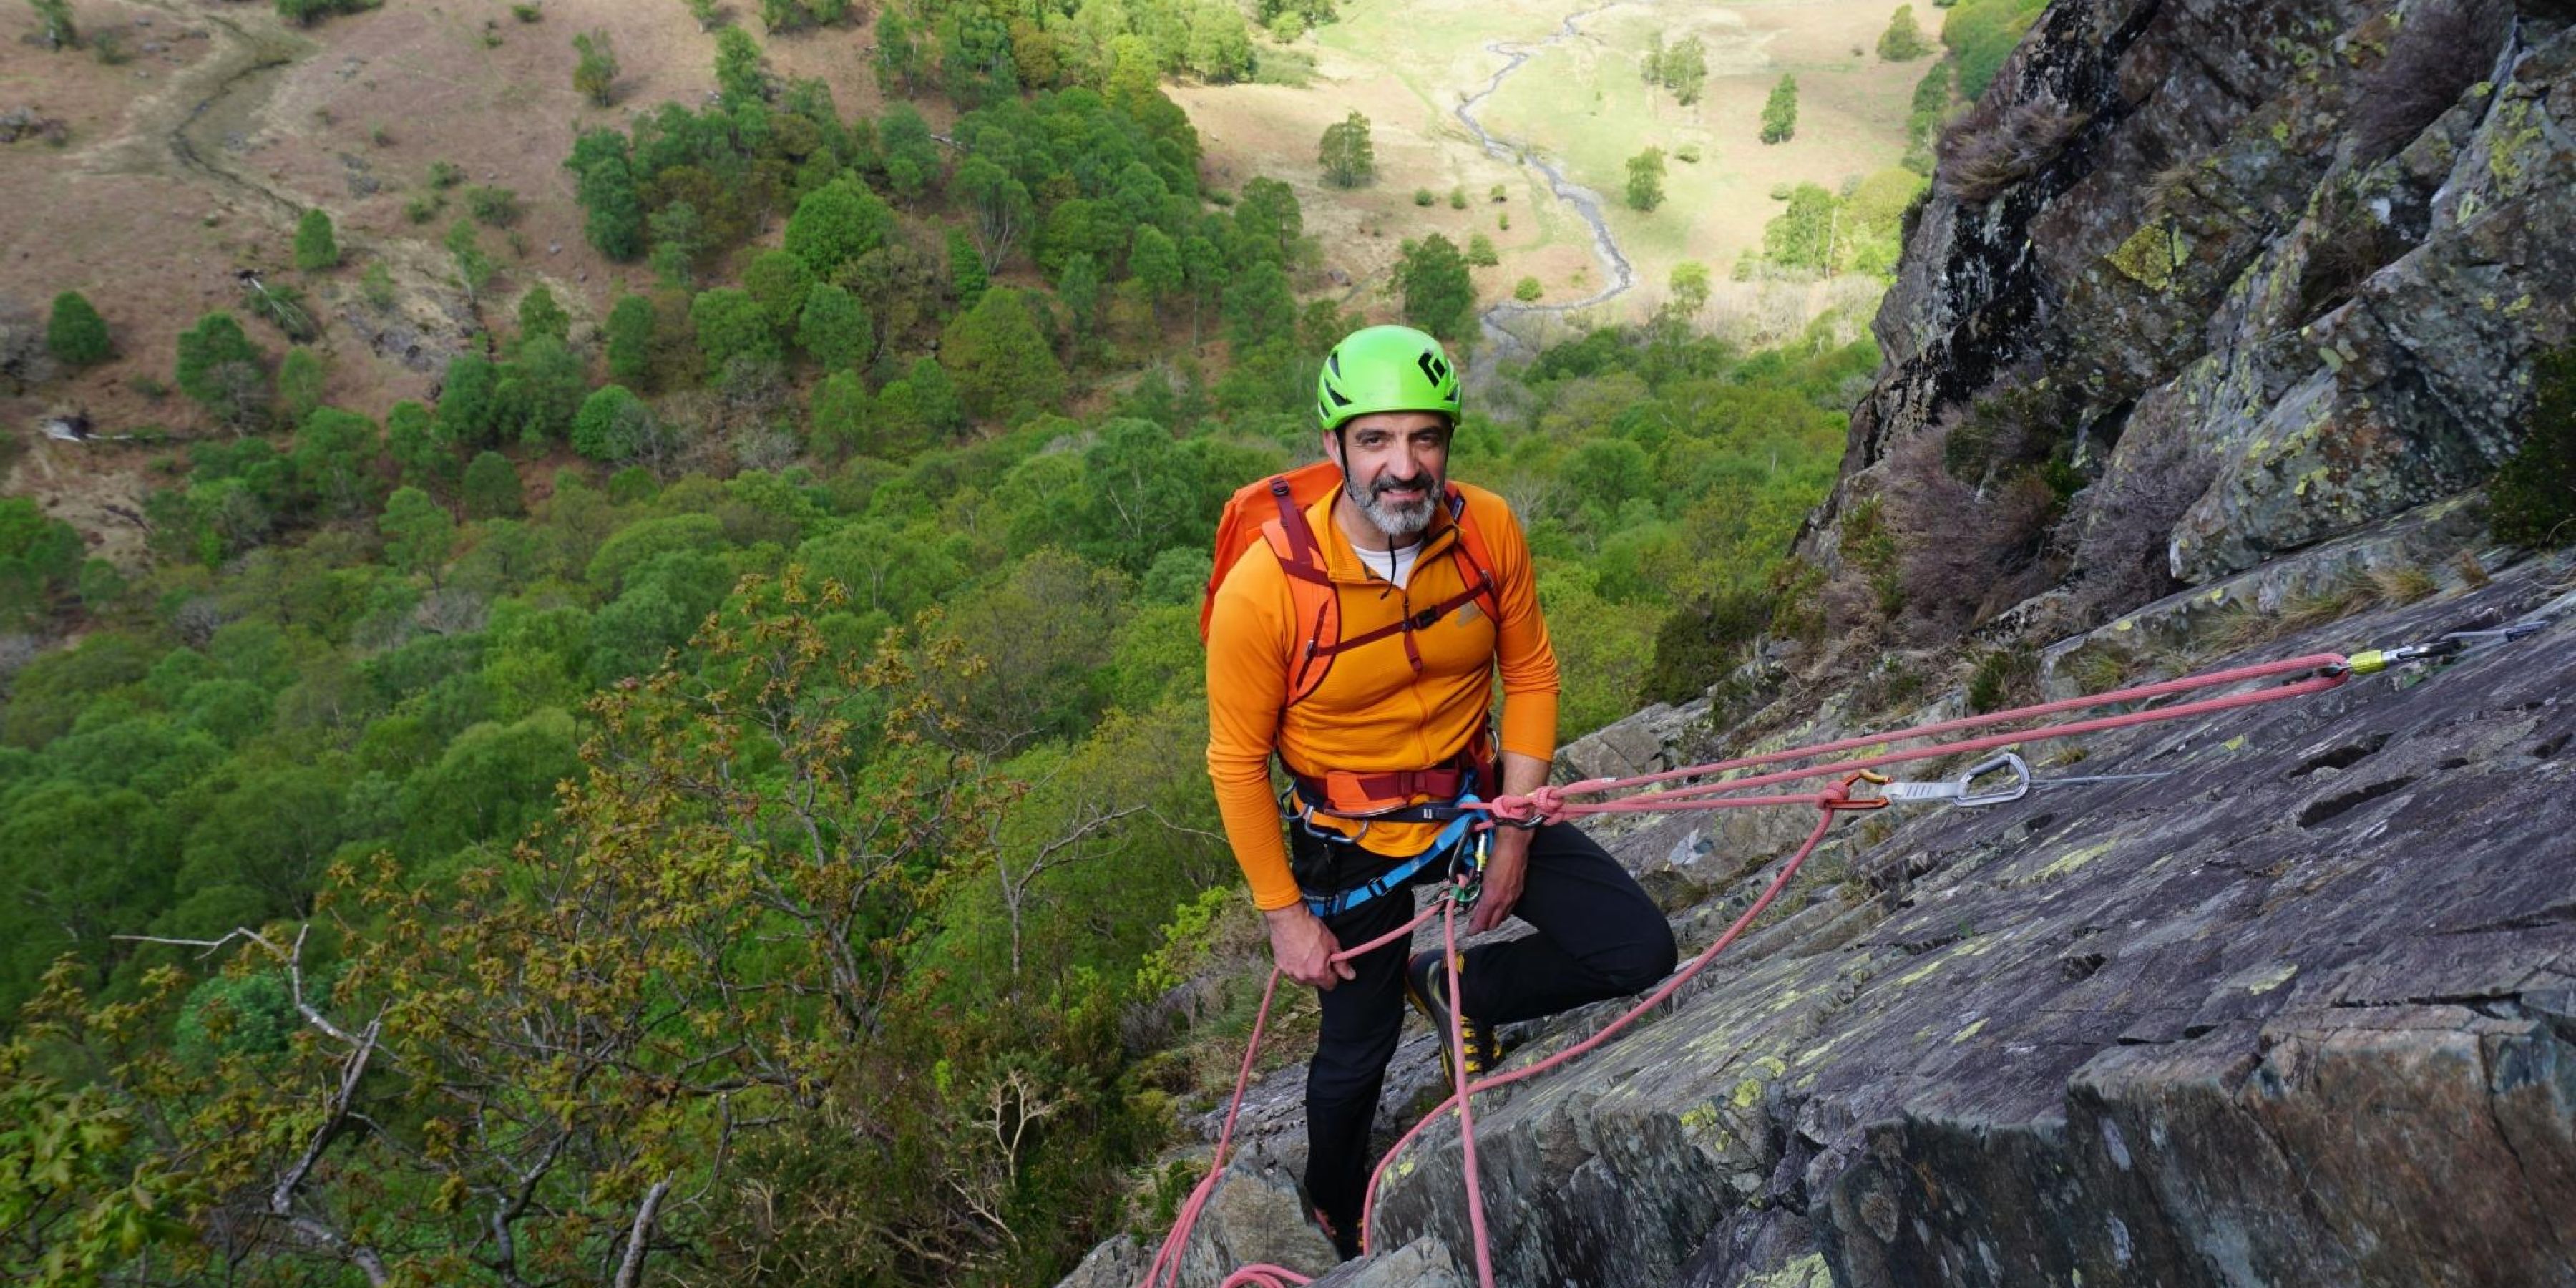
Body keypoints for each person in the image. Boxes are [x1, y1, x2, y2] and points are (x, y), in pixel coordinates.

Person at [1203, 324, 1677, 1259]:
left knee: (1639, 948)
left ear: (1448, 444)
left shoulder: (1487, 529)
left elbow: (1531, 673)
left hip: (1473, 804)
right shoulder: (1268, 590)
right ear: (1334, 448)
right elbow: (1235, 762)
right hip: (1348, 836)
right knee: (1355, 1055)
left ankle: (1462, 988)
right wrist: (1284, 917)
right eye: (1376, 440)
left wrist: (1511, 833)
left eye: (1425, 438)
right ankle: (1334, 1211)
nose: (1404, 466)